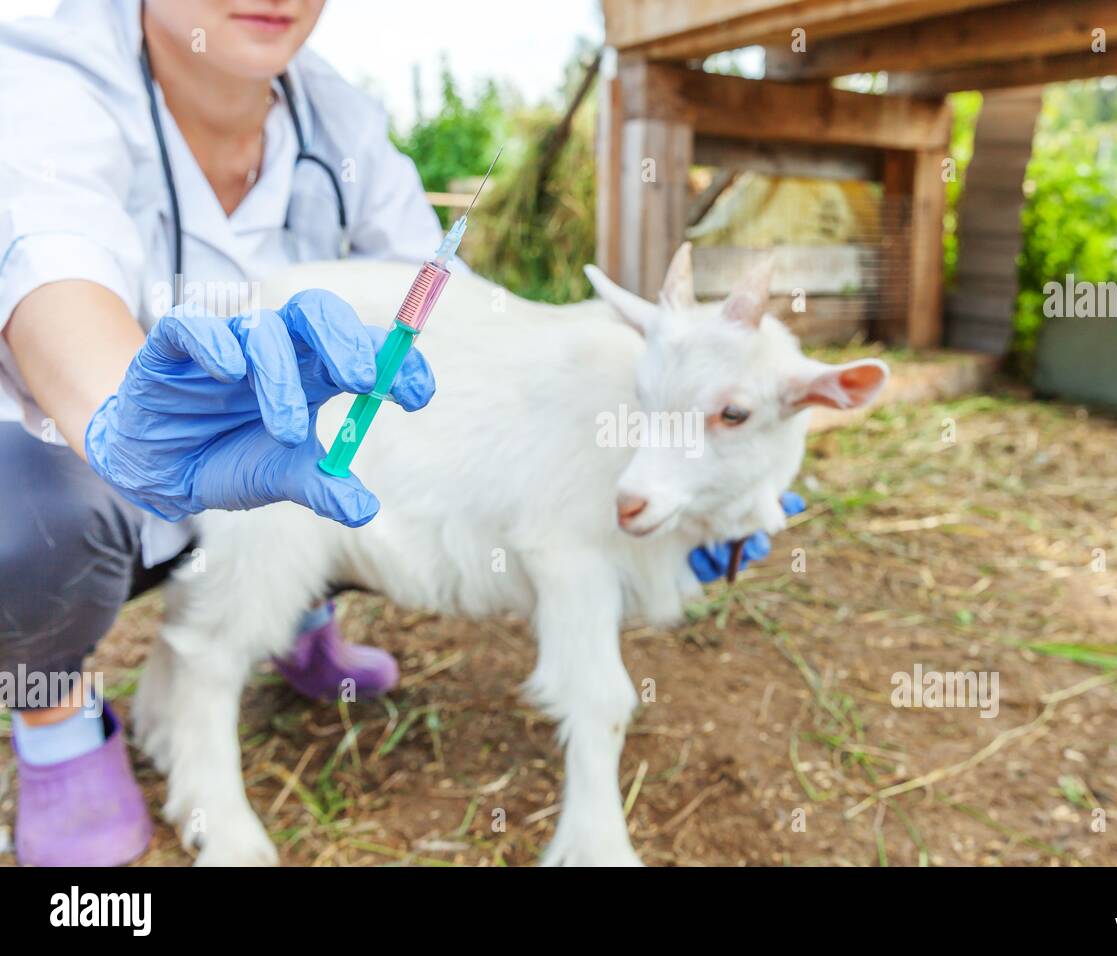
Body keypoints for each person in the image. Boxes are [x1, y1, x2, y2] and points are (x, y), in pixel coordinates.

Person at [0, 0, 794, 868]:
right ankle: (56, 723)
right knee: (29, 527)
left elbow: (443, 307)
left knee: (365, 476)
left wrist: (708, 462)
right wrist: (137, 422)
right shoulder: (44, 67)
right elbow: (50, 259)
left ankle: (291, 619)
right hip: (71, 452)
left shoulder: (339, 116)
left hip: (289, 457)